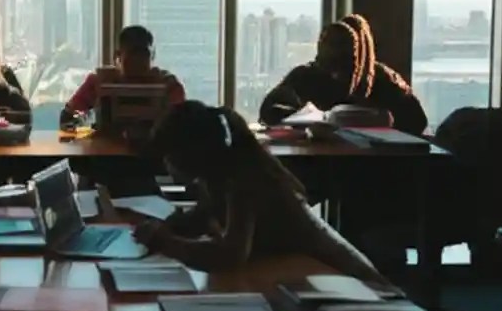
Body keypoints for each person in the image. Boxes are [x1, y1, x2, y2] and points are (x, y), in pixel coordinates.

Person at [132, 100, 389, 283]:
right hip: (317, 280)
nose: (166, 163)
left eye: (169, 155)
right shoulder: (221, 175)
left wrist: (166, 241)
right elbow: (203, 217)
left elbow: (230, 255)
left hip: (357, 290)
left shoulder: (244, 181)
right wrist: (166, 228)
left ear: (192, 153)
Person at [258, 18, 427, 135]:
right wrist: (296, 117)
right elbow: (268, 112)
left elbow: (417, 121)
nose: (337, 74)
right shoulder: (304, 76)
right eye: (329, 60)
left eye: (344, 60)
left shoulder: (383, 80)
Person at [60, 25, 186, 128]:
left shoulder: (168, 84)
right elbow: (68, 117)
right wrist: (84, 120)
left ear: (152, 56)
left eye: (143, 54)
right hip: (105, 152)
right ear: (118, 56)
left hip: (152, 154)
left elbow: (183, 122)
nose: (138, 61)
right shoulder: (99, 81)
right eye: (132, 54)